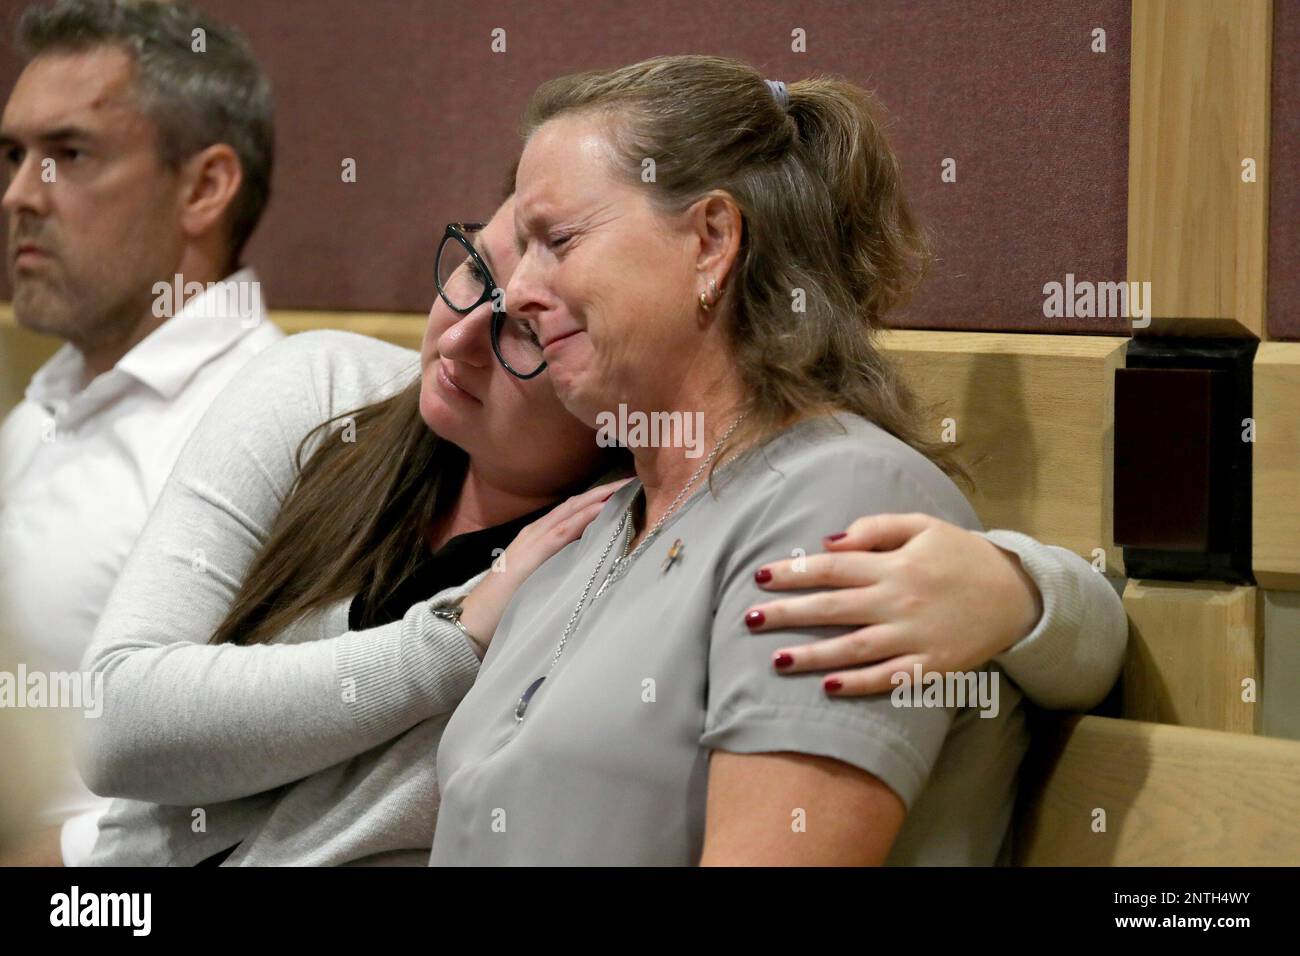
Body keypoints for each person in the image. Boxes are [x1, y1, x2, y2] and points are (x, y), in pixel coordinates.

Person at [80, 190, 1123, 867]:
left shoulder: (622, 547)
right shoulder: (325, 393)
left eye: (533, 330)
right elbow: (120, 723)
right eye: (474, 270)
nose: (463, 335)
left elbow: (875, 533)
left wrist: (1023, 586)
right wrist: (450, 638)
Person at [428, 55, 1066, 866]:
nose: (515, 294)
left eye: (555, 241)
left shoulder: (841, 506)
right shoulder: (588, 531)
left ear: (712, 242)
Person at [0, 0, 279, 866]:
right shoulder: (51, 391)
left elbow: (273, 768)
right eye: (13, 155)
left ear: (204, 187)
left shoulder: (265, 421)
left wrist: (60, 862)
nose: (17, 196)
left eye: (68, 155)